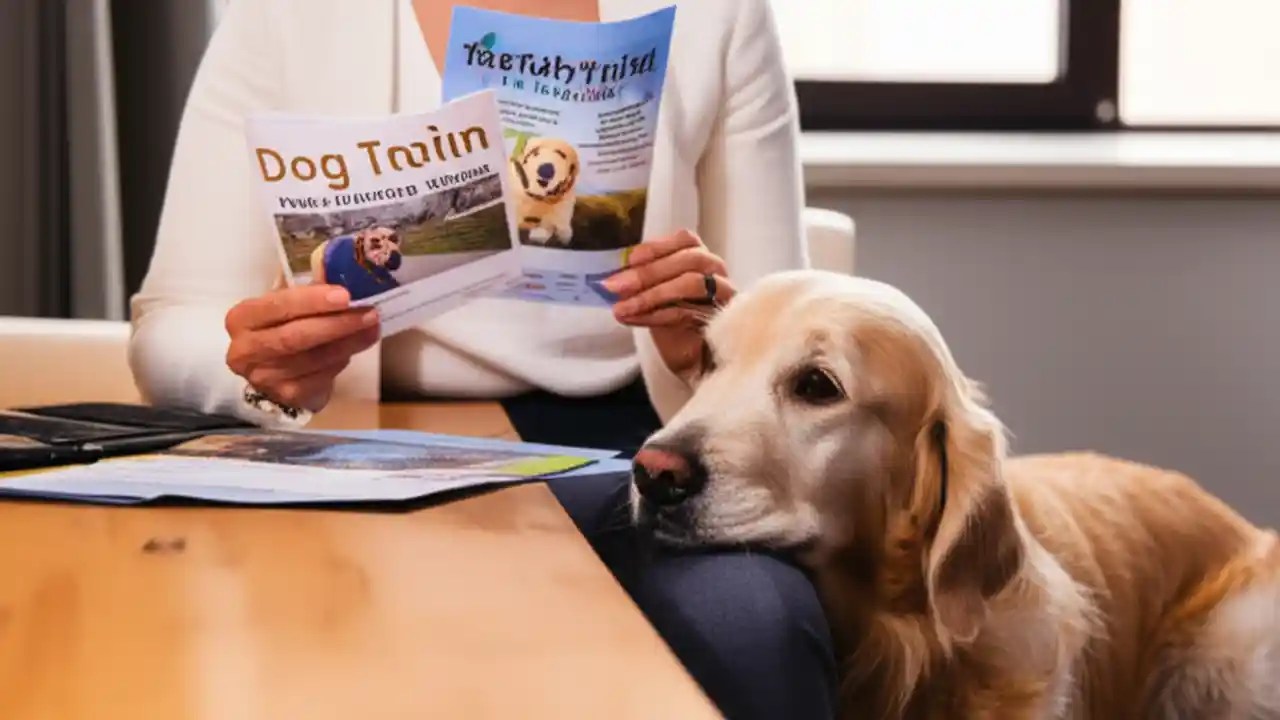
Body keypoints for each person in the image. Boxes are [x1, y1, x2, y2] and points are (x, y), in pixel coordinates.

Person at [128, 1, 836, 717]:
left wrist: (707, 345)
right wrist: (260, 369)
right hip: (357, 450)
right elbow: (170, 327)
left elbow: (788, 321)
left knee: (759, 627)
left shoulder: (722, 14)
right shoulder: (285, 15)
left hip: (634, 456)